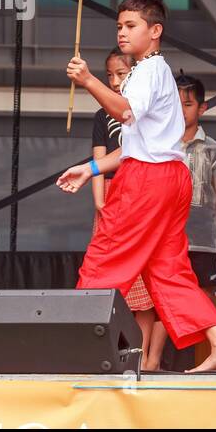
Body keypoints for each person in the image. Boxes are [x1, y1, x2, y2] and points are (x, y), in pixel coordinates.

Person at [58, 0, 216, 372]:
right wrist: (90, 169)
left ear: (154, 30)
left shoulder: (148, 70)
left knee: (106, 254)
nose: (122, 34)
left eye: (130, 26)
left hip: (148, 180)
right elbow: (137, 144)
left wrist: (89, 79)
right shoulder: (154, 72)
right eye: (119, 26)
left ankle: (74, 348)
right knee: (167, 269)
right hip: (169, 175)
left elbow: (124, 113)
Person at [90, 50, 166, 371]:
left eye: (122, 74)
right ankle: (112, 355)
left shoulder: (144, 112)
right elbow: (98, 161)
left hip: (141, 200)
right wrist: (100, 204)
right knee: (109, 286)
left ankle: (143, 357)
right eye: (110, 75)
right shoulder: (101, 115)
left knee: (144, 290)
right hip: (112, 202)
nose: (116, 81)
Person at [176, 73, 216, 290]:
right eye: (175, 104)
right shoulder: (160, 148)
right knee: (166, 302)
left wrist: (205, 226)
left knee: (205, 297)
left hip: (203, 242)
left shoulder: (214, 149)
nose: (181, 110)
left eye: (188, 104)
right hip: (167, 241)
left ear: (202, 108)